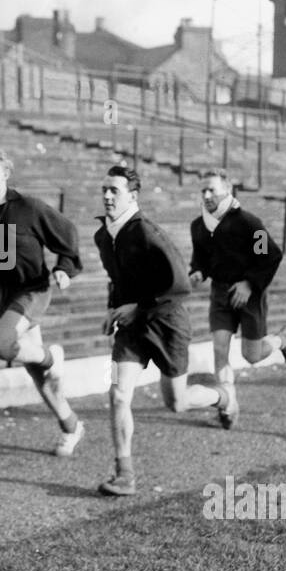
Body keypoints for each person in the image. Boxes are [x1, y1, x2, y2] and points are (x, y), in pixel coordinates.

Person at [93, 166, 229, 495]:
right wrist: (113, 309)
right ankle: (124, 474)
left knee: (177, 403)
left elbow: (180, 284)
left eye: (115, 190)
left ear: (133, 196)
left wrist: (137, 307)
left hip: (166, 322)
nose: (108, 196)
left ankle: (222, 397)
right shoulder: (103, 235)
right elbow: (119, 279)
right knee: (117, 393)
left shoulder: (146, 233)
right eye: (105, 190)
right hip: (131, 328)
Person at [0, 147, 85, 456]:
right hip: (4, 296)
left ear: (5, 173)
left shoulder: (29, 208)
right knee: (37, 373)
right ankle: (71, 426)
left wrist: (64, 269)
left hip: (33, 290)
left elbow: (68, 236)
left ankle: (53, 357)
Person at [187, 168, 286, 429]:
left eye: (212, 189)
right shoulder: (199, 226)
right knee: (219, 347)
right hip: (220, 294)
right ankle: (229, 405)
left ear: (228, 190)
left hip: (250, 296)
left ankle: (282, 340)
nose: (207, 195)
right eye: (203, 190)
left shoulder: (249, 223)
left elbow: (270, 256)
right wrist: (198, 272)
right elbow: (200, 258)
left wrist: (249, 283)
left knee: (252, 355)